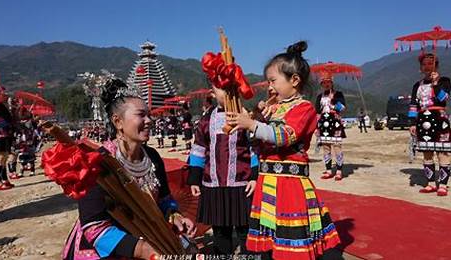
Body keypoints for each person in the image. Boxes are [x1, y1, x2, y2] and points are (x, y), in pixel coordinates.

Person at [227, 41, 340, 259]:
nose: (269, 87)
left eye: (273, 81)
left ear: (294, 80)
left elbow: (284, 136)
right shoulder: (275, 108)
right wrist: (254, 121)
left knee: (291, 245)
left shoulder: (304, 108)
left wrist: (254, 125)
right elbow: (258, 143)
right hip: (268, 182)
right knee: (269, 244)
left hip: (289, 186)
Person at [62, 78, 196, 259]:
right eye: (141, 115)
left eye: (149, 115)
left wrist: (175, 215)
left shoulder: (153, 157)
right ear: (118, 122)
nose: (149, 120)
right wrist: (141, 249)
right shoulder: (97, 164)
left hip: (151, 241)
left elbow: (164, 199)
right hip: (109, 248)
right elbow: (94, 226)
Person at [187, 84, 258, 255]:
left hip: (242, 183)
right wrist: (194, 178)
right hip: (214, 184)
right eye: (223, 90)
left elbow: (254, 149)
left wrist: (254, 176)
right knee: (220, 230)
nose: (228, 93)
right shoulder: (206, 120)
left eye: (231, 89)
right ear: (212, 93)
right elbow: (198, 148)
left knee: (245, 228)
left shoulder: (246, 117)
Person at [408, 52, 451, 196]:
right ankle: (431, 182)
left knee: (442, 152)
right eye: (424, 64)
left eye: (430, 64)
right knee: (427, 153)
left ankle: (443, 185)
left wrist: (435, 84)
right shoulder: (417, 85)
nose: (427, 67)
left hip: (439, 119)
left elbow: (443, 98)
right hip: (423, 120)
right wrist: (413, 123)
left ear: (436, 66)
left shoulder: (444, 81)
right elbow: (414, 105)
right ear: (421, 68)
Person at [315, 73, 347, 181]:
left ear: (331, 83)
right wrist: (317, 127)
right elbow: (317, 112)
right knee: (326, 146)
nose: (326, 84)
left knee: (337, 145)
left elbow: (342, 108)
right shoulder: (320, 96)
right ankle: (328, 170)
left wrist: (333, 100)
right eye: (324, 83)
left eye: (328, 82)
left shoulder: (338, 94)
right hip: (324, 122)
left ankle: (339, 170)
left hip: (335, 121)